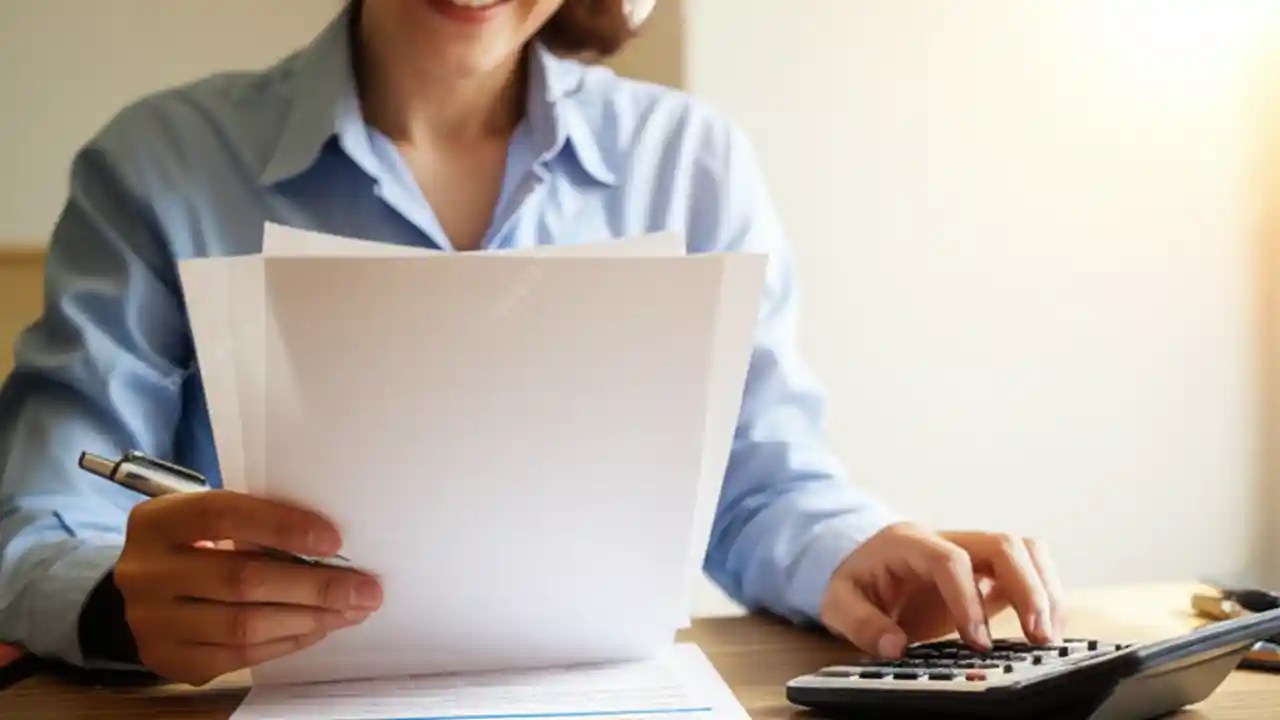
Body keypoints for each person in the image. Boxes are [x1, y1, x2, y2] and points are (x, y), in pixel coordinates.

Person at [0, 0, 1066, 686]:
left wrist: (852, 550)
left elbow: (754, 480)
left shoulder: (689, 160)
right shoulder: (157, 164)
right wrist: (119, 606)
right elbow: (39, 525)